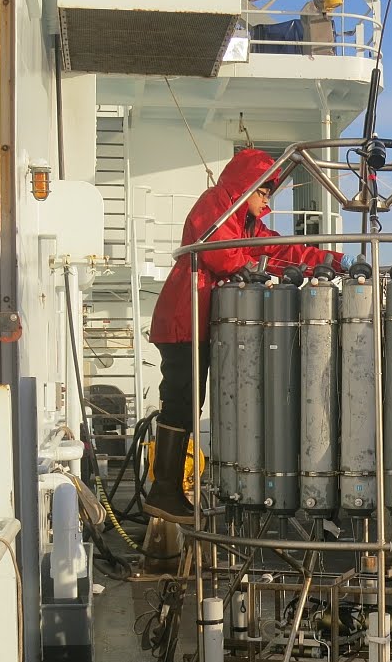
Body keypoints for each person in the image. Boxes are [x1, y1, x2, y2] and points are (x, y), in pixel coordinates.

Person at [146, 148, 353, 523]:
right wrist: (247, 267)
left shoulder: (248, 227)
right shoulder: (217, 205)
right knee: (181, 400)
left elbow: (284, 251)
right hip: (184, 316)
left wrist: (337, 262)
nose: (267, 198)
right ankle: (164, 491)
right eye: (263, 190)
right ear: (247, 185)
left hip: (199, 318)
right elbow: (219, 252)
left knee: (190, 401)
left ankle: (171, 490)